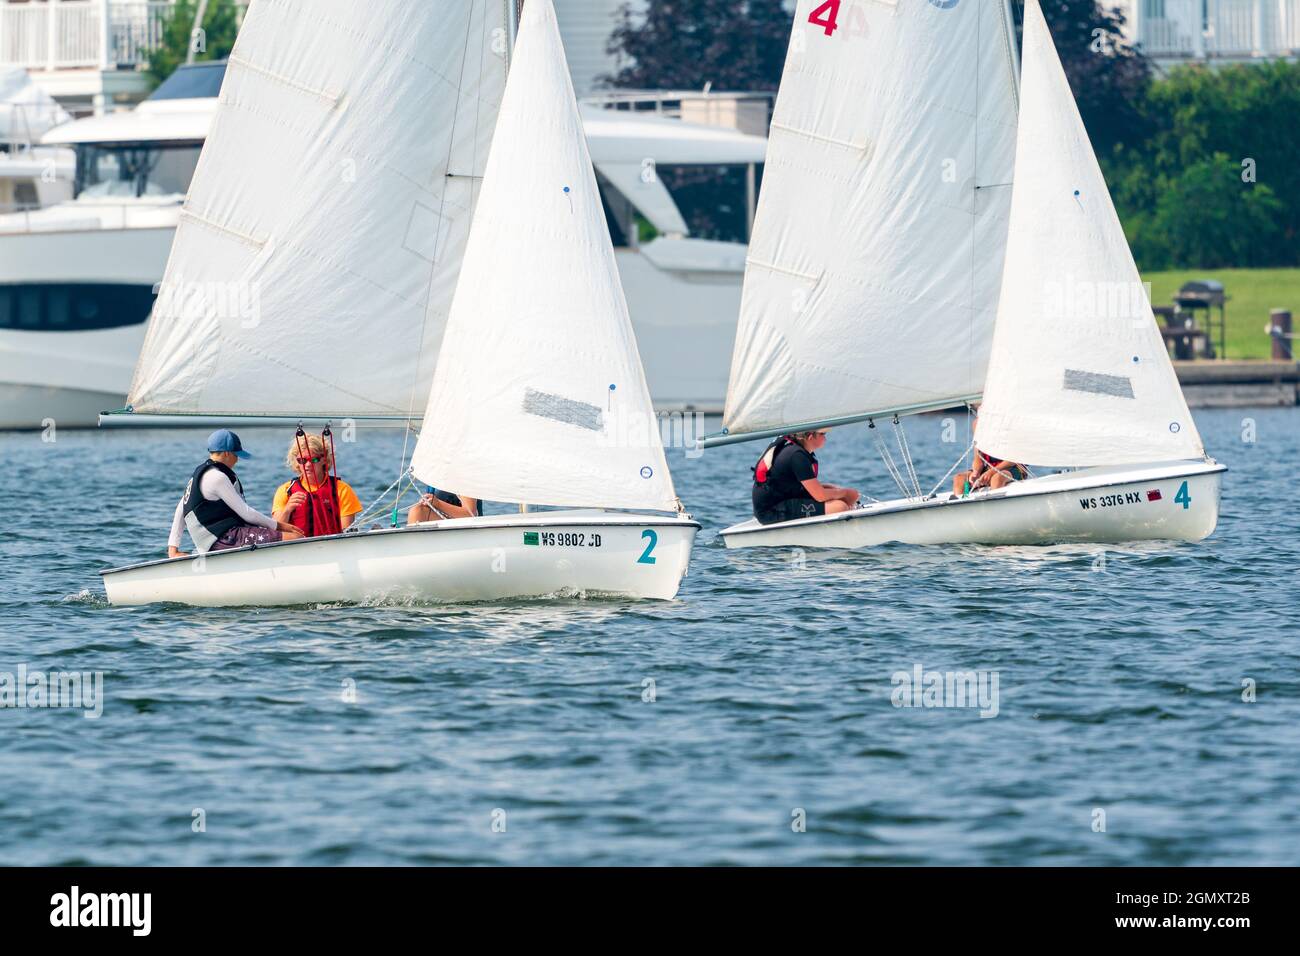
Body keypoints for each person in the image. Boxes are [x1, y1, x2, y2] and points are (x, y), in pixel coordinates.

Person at [167, 429, 303, 558]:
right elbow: (247, 513)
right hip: (226, 539)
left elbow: (181, 510)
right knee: (295, 537)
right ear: (226, 453)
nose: (237, 460)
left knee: (276, 534)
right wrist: (281, 526)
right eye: (236, 455)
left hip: (214, 541)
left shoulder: (199, 476)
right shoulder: (217, 477)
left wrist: (173, 550)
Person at [751, 429, 860, 525]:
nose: (825, 437)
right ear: (810, 437)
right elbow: (820, 496)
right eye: (822, 434)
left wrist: (840, 492)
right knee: (840, 507)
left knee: (848, 495)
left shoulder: (797, 450)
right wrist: (844, 492)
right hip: (771, 511)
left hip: (784, 498)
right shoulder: (796, 455)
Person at [271, 433, 363, 536]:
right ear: (297, 462)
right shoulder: (285, 491)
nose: (308, 465)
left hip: (332, 547)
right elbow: (275, 533)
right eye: (302, 460)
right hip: (296, 548)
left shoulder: (342, 490)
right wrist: (287, 510)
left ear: (324, 460)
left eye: (314, 459)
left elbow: (346, 533)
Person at [407, 486, 480, 524]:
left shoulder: (463, 475)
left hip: (467, 531)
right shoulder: (433, 479)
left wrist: (438, 503)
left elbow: (470, 514)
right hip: (442, 532)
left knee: (417, 511)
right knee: (418, 510)